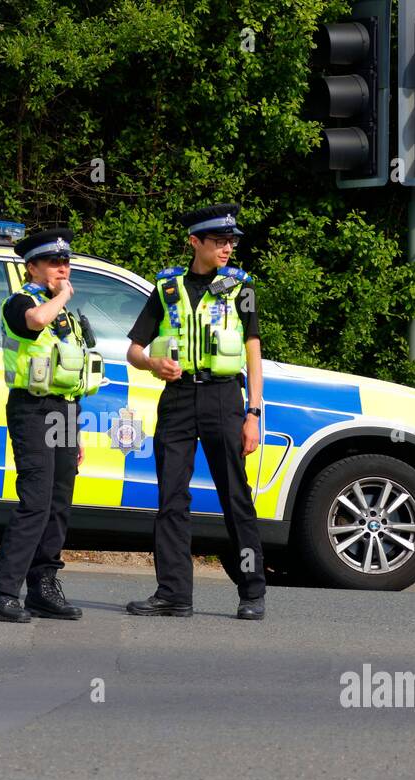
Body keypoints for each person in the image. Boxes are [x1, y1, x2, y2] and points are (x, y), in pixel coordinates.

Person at [123, 203, 267, 620]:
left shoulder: (242, 287)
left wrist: (253, 414)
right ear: (195, 242)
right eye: (220, 241)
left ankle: (252, 591)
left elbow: (254, 353)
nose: (228, 248)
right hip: (178, 399)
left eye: (231, 242)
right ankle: (173, 594)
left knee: (235, 496)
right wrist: (153, 363)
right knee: (171, 498)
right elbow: (133, 348)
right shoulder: (167, 287)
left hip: (224, 399)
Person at [0, 228, 89, 623]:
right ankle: (0, 590)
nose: (63, 268)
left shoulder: (68, 316)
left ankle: (43, 588)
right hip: (32, 409)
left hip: (64, 411)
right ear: (32, 267)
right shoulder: (20, 302)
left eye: (66, 262)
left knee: (59, 504)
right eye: (54, 263)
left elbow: (74, 369)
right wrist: (61, 295)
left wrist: (77, 432)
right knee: (36, 502)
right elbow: (34, 322)